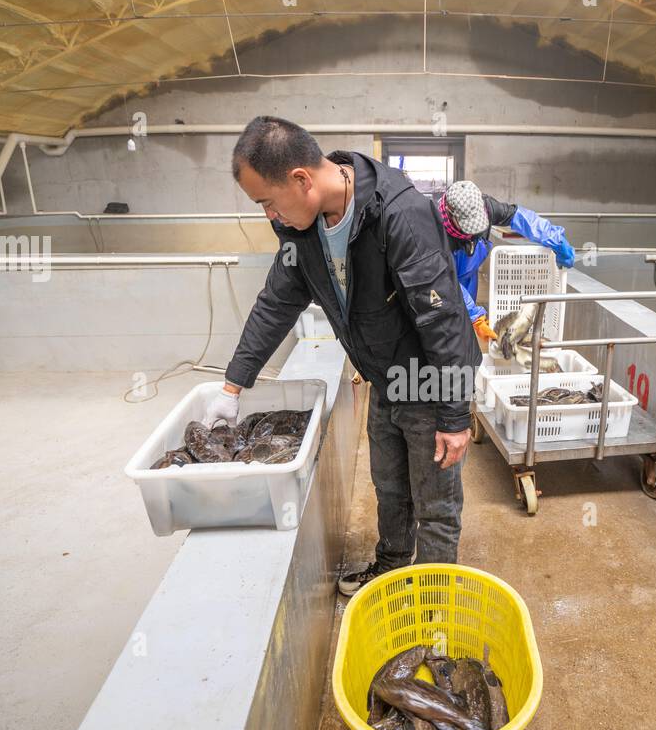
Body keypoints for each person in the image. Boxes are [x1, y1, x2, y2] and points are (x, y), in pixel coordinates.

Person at [202, 117, 481, 596]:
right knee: (390, 486)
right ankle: (392, 568)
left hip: (429, 381)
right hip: (383, 378)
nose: (268, 215)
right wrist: (234, 385)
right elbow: (276, 303)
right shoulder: (301, 232)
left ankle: (434, 602)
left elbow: (445, 319)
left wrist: (455, 416)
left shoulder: (398, 213)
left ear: (301, 180)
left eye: (267, 201)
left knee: (434, 502)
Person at [435, 180, 576, 343]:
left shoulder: (487, 207)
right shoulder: (435, 231)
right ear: (451, 213)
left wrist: (555, 239)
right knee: (449, 328)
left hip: (469, 276)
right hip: (443, 282)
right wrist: (474, 315)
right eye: (468, 226)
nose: (474, 231)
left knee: (465, 331)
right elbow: (445, 278)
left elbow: (521, 218)